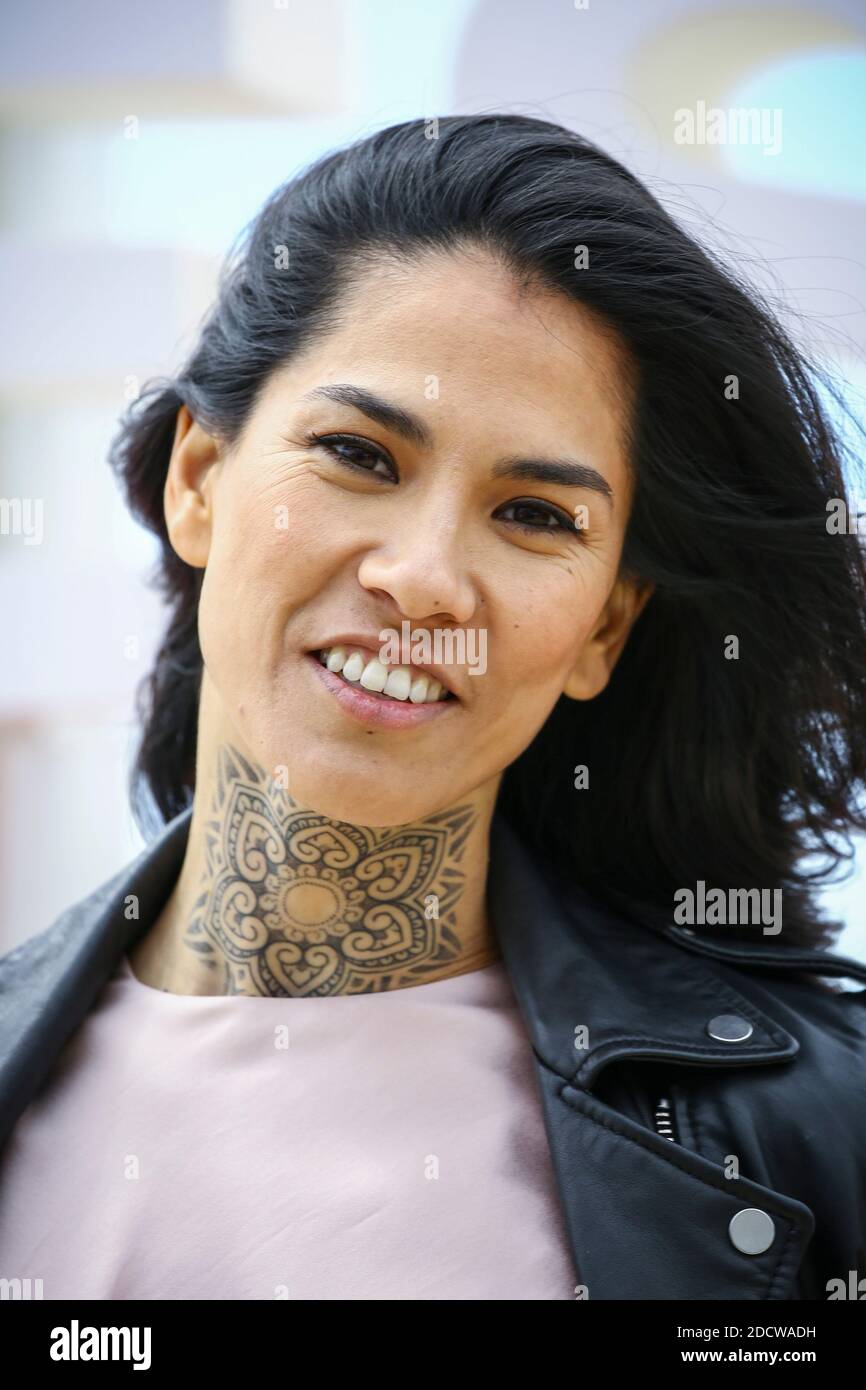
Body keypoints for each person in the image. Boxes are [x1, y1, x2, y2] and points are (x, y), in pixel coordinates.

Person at [1, 113, 865, 1302]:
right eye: (358, 453)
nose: (421, 577)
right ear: (197, 479)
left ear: (603, 628)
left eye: (533, 515)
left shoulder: (820, 1142)